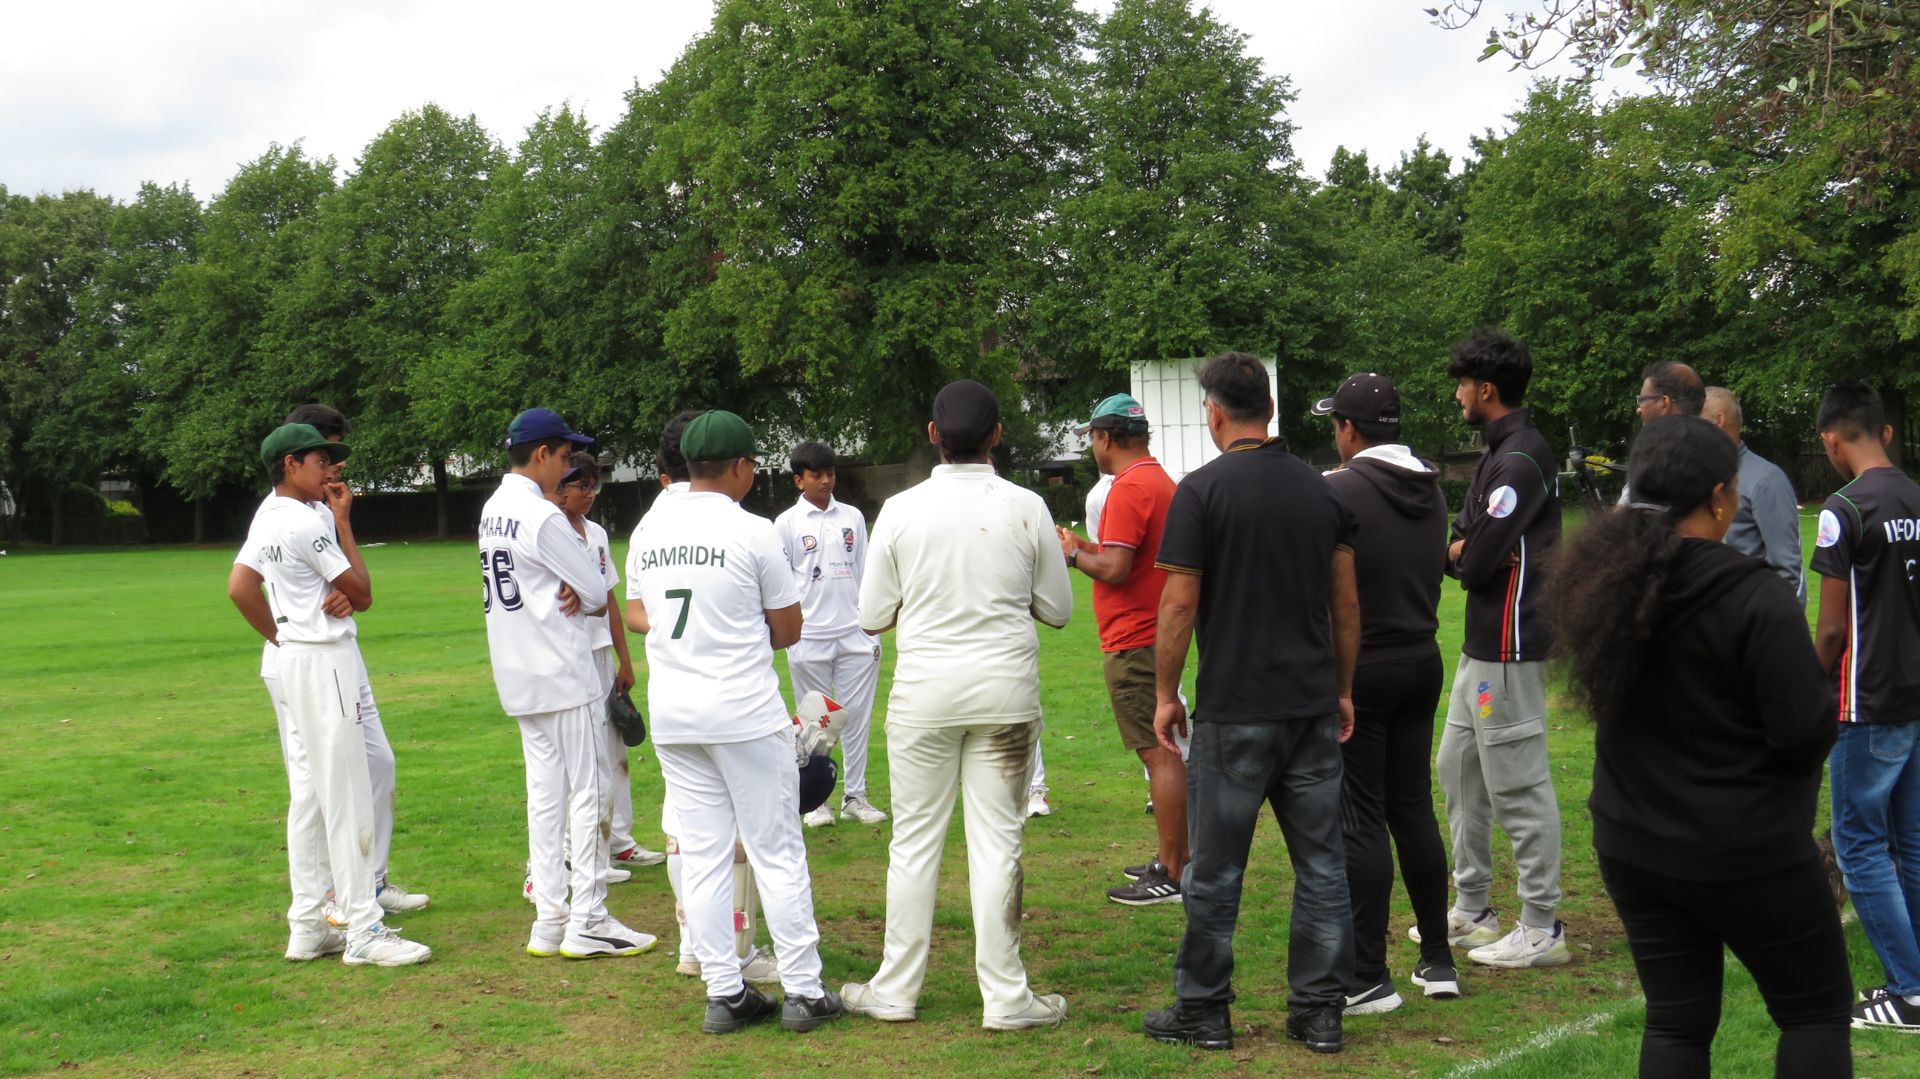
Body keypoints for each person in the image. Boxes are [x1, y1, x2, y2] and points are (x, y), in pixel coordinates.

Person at [1552, 416, 1850, 1077]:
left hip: (1635, 842)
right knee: (1816, 1012)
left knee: (1676, 1022)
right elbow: (1804, 726)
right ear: (1718, 495)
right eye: (1735, 492)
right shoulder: (1752, 595)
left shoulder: (1607, 587)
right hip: (1745, 847)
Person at [1140, 352, 1361, 1055]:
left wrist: (1165, 693)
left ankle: (1204, 1007)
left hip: (1235, 707)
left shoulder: (1201, 492)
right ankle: (1320, 1010)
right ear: (1268, 408)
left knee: (1215, 869)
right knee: (1322, 865)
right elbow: (1346, 603)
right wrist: (1345, 686)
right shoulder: (1324, 491)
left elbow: (1177, 605)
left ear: (1214, 412)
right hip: (1310, 705)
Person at [841, 379, 1074, 1031]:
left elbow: (871, 615)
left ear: (934, 435)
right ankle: (1005, 997)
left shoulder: (901, 510)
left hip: (925, 696)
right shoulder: (1026, 507)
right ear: (997, 435)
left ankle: (896, 988)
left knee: (914, 842)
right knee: (998, 842)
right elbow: (1057, 608)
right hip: (1004, 691)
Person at [628, 409, 840, 1034]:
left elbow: (639, 611)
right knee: (776, 849)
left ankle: (725, 991)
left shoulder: (649, 529)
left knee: (703, 855)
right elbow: (787, 629)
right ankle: (803, 990)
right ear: (743, 466)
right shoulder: (753, 532)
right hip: (743, 710)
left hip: (675, 712)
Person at [227, 423, 430, 967]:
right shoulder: (302, 520)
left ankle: (308, 925)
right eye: (321, 461)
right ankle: (363, 928)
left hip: (291, 660)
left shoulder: (267, 515)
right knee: (345, 794)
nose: (330, 470)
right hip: (324, 660)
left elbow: (239, 586)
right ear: (291, 464)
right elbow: (361, 593)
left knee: (311, 797)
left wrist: (283, 632)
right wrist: (342, 525)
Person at [480, 408, 655, 961]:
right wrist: (578, 586)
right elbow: (597, 591)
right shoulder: (542, 516)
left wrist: (574, 586)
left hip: (517, 671)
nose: (566, 466)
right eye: (562, 455)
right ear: (540, 455)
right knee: (590, 789)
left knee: (545, 794)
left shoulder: (491, 510)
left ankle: (549, 917)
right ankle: (589, 918)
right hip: (561, 668)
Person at [1312, 373, 1459, 1012]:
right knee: (1413, 809)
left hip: (1363, 667)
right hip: (1422, 657)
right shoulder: (1431, 487)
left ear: (1349, 429)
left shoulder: (1337, 491)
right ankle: (1438, 956)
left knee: (1362, 818)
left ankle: (1368, 971)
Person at [1431, 328, 1569, 969]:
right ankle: (1474, 909)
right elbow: (1461, 533)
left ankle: (1542, 926)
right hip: (1482, 644)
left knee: (1518, 785)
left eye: (1462, 384)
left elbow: (1477, 557)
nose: (1457, 395)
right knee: (1458, 769)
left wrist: (1462, 551)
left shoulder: (1519, 459)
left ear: (1485, 389)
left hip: (1511, 648)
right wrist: (1462, 547)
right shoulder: (1498, 453)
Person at [1809, 382, 1920, 1032]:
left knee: (1858, 844)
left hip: (1867, 699)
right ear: (1886, 432)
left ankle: (1908, 990)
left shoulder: (1843, 509)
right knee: (1909, 840)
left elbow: (1831, 630)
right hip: (1913, 694)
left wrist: (1807, 686)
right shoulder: (1916, 497)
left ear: (1831, 440)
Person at [1056, 393, 1185, 906]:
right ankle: (1176, 856)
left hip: (1135, 639)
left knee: (1160, 754)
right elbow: (1122, 557)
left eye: (1091, 436)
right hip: (1155, 633)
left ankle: (1172, 873)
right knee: (1167, 748)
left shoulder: (1128, 489)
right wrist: (1084, 546)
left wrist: (1071, 556)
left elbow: (1116, 570)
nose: (1091, 446)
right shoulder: (1159, 480)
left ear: (1105, 437)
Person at [551, 452, 664, 872]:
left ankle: (618, 840)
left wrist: (625, 659)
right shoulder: (549, 531)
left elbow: (611, 597)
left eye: (594, 486)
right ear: (561, 488)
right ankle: (572, 855)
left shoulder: (596, 534)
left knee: (616, 749)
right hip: (569, 655)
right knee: (582, 758)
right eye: (582, 486)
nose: (590, 494)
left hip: (601, 653)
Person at [774, 441, 887, 827]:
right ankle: (816, 801)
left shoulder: (852, 516)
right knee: (815, 722)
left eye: (830, 473)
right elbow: (780, 585)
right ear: (798, 480)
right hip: (809, 636)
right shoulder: (786, 524)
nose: (825, 480)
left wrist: (871, 628)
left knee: (854, 717)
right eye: (816, 475)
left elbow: (867, 573)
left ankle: (855, 795)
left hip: (855, 633)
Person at [1701, 387, 1806, 606]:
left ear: (1718, 420)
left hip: (1753, 624)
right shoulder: (1703, 475)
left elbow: (1788, 571)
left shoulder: (1766, 478)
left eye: (1696, 420)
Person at [1634, 361, 1706, 424]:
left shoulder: (1660, 439)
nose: (1638, 410)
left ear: (1664, 403)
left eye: (1642, 400)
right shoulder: (1711, 437)